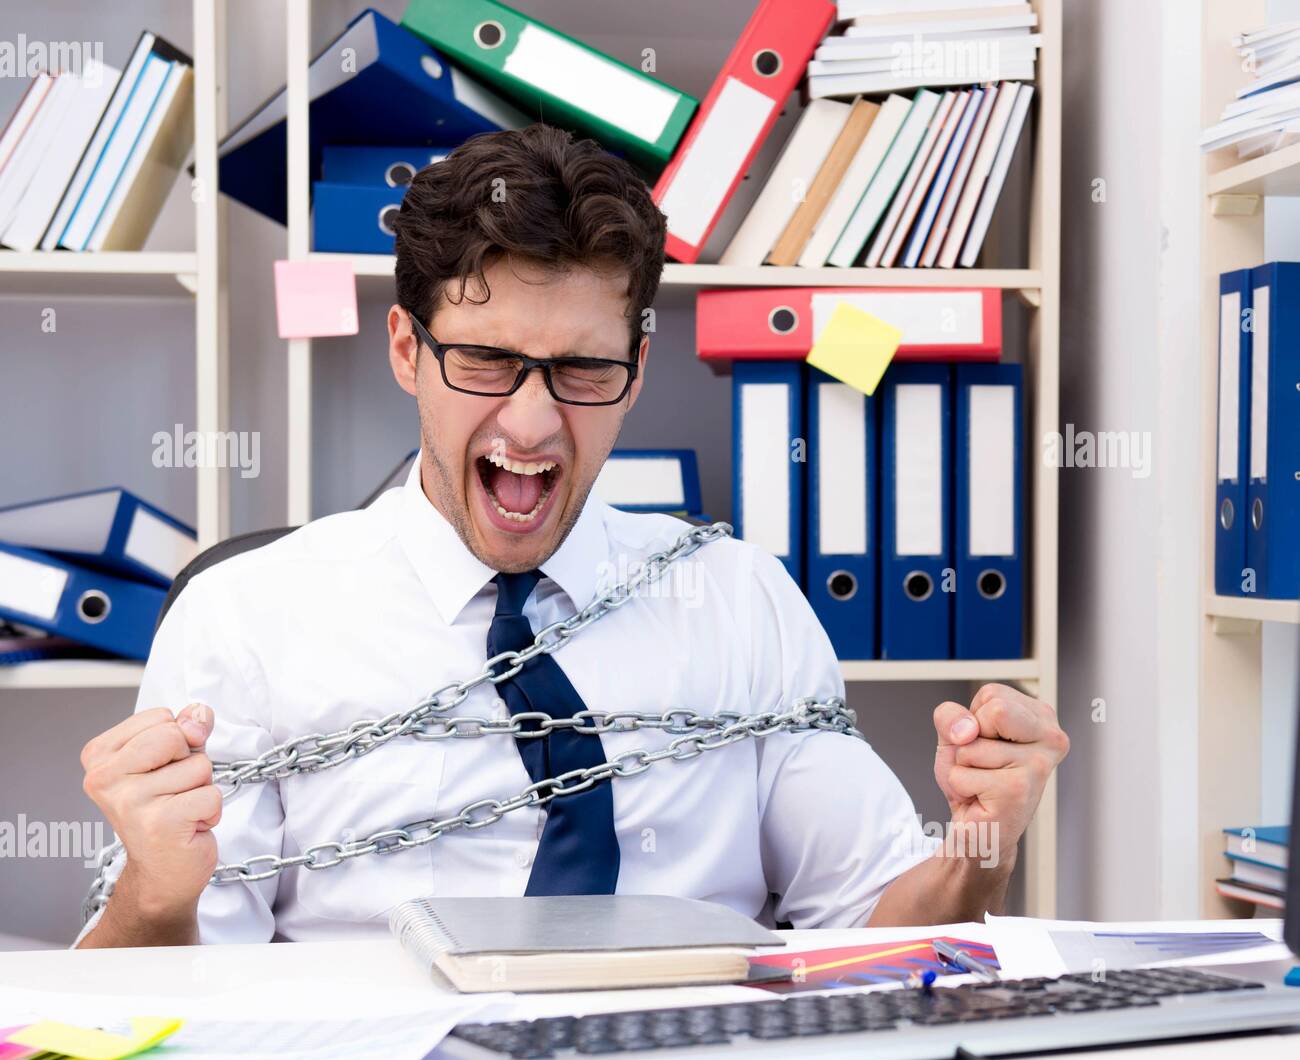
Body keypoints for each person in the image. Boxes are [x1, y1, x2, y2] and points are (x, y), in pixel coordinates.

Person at [75, 124, 1068, 948]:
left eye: (582, 370)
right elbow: (166, 1006)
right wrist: (157, 893)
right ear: (406, 350)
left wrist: (980, 848)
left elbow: (885, 935)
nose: (533, 424)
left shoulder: (740, 598)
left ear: (635, 370)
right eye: (488, 361)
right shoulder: (248, 619)